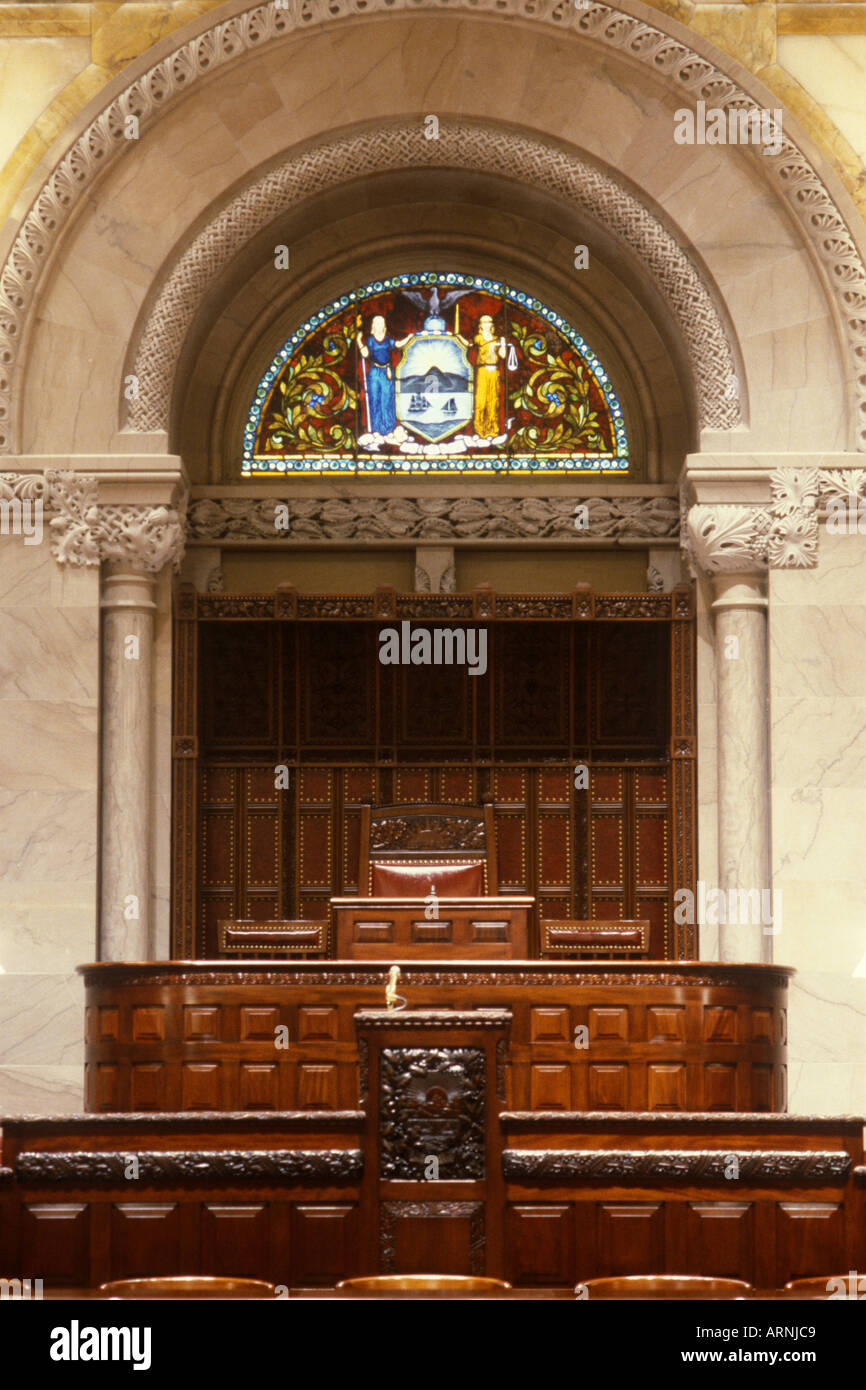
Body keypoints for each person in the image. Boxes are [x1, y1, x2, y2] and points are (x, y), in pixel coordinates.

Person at [356, 315, 412, 435]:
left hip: (387, 372)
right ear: (373, 327)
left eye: (381, 323)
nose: (379, 326)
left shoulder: (387, 339)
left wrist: (409, 337)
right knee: (374, 398)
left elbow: (397, 345)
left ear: (384, 326)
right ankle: (376, 429)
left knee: (387, 398)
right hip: (374, 372)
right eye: (377, 324)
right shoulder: (370, 340)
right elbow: (365, 354)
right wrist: (358, 341)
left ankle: (388, 428)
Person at [458, 314, 506, 438]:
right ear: (480, 325)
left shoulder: (497, 339)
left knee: (493, 401)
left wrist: (503, 343)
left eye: (488, 322)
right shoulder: (478, 338)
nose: (486, 324)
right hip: (482, 371)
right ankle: (479, 431)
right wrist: (458, 336)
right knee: (481, 400)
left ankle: (493, 431)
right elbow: (468, 344)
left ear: (492, 325)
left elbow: (503, 355)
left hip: (494, 372)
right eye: (483, 322)